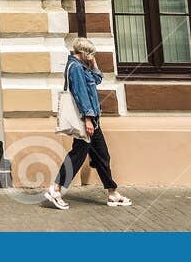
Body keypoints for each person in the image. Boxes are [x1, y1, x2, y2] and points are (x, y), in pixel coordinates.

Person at [44, 37, 131, 209]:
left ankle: (112, 193)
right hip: (86, 120)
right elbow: (81, 95)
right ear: (83, 53)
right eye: (90, 54)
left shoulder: (83, 66)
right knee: (77, 155)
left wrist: (94, 63)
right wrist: (88, 119)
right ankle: (55, 189)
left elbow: (98, 79)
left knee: (102, 156)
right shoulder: (75, 68)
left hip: (92, 120)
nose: (92, 57)